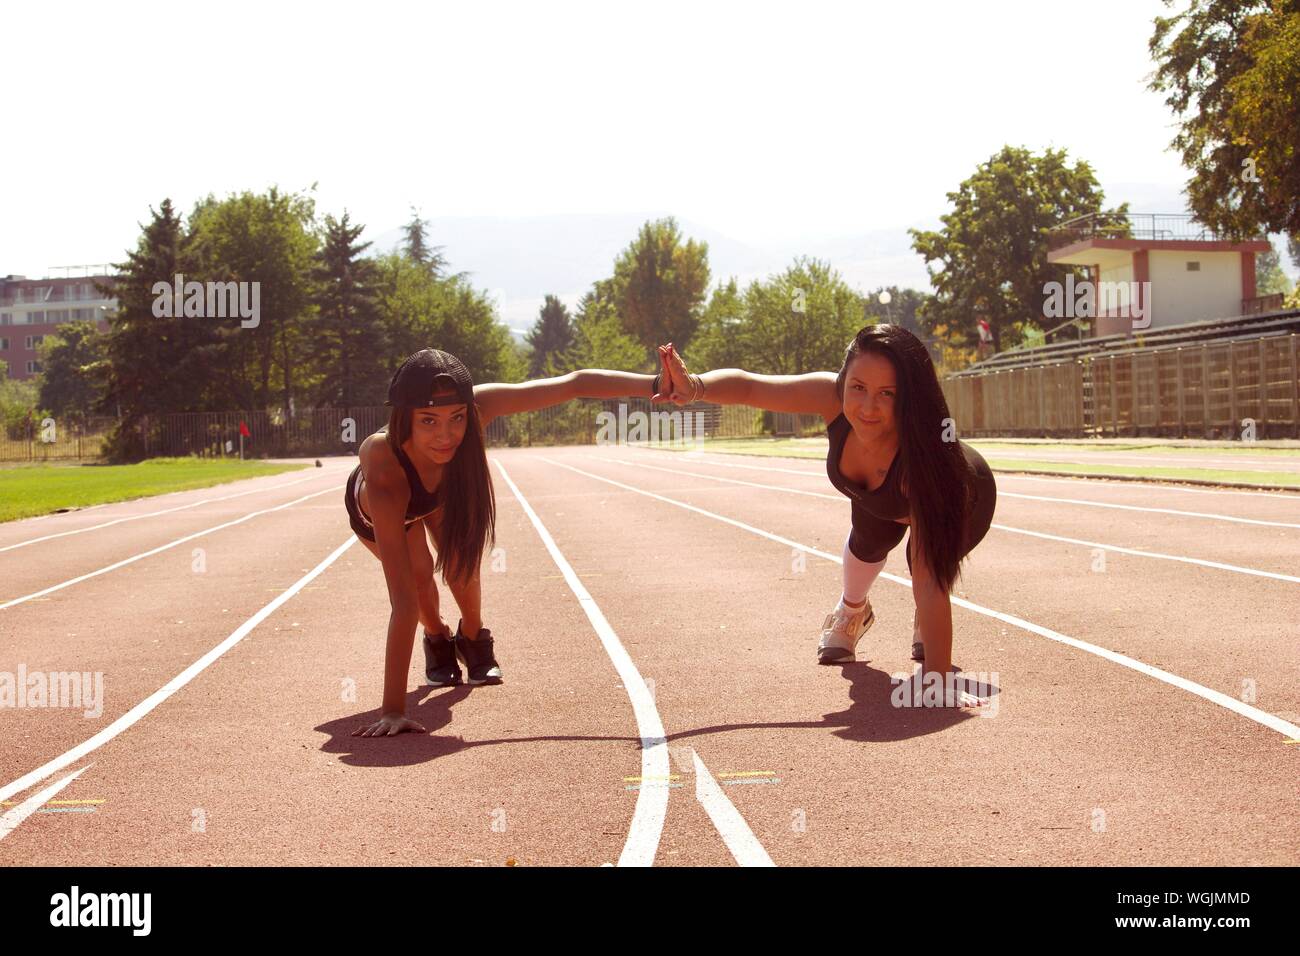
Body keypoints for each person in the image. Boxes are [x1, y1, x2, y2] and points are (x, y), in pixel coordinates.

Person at [655, 325, 997, 708]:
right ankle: (852, 612)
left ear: (910, 399)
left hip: (966, 501)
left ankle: (926, 625)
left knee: (921, 566)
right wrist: (695, 387)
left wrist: (937, 677)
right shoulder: (830, 396)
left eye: (888, 394)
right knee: (870, 537)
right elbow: (752, 387)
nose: (868, 407)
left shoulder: (923, 470)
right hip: (885, 500)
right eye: (858, 388)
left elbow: (931, 577)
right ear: (843, 380)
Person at [348, 348, 673, 737]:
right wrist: (393, 709)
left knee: (461, 566)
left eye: (457, 419)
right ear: (404, 419)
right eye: (428, 421)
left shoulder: (478, 408)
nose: (446, 435)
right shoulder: (385, 468)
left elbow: (573, 385)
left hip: (437, 494)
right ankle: (437, 637)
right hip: (386, 507)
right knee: (418, 582)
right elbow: (400, 603)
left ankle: (472, 638)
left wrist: (656, 384)